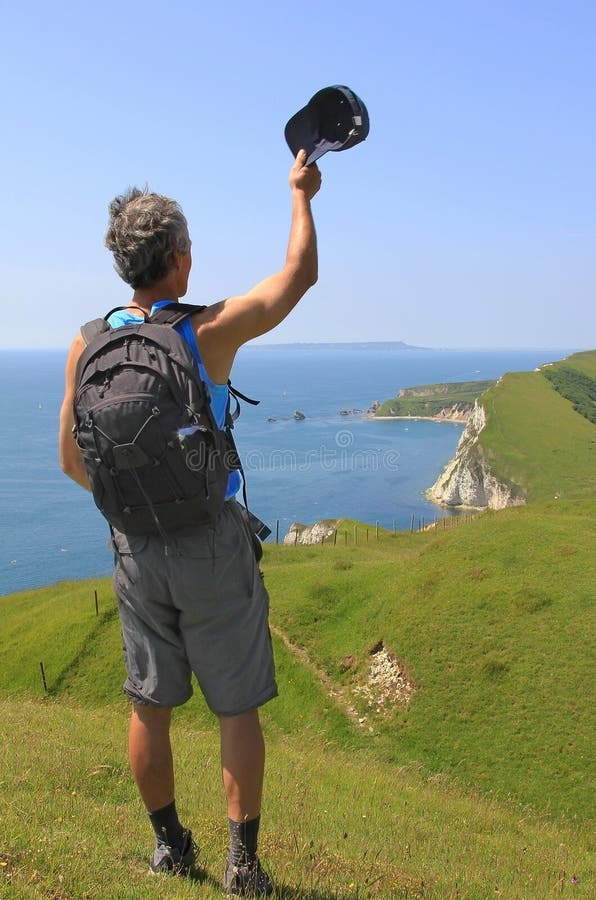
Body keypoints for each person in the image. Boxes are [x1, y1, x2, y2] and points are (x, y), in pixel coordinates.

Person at [59, 149, 321, 895]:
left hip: (135, 548)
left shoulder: (87, 344)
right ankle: (244, 865)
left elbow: (74, 463)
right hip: (210, 539)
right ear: (178, 257)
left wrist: (140, 507)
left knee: (150, 702)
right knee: (235, 704)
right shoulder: (203, 332)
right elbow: (295, 277)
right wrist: (301, 194)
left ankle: (171, 846)